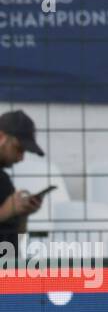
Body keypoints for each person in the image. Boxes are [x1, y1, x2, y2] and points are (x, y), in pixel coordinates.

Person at [0, 110, 49, 257]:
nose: (21, 158)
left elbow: (16, 236)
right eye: (18, 149)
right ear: (1, 137)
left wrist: (23, 213)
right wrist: (5, 211)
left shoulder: (4, 181)